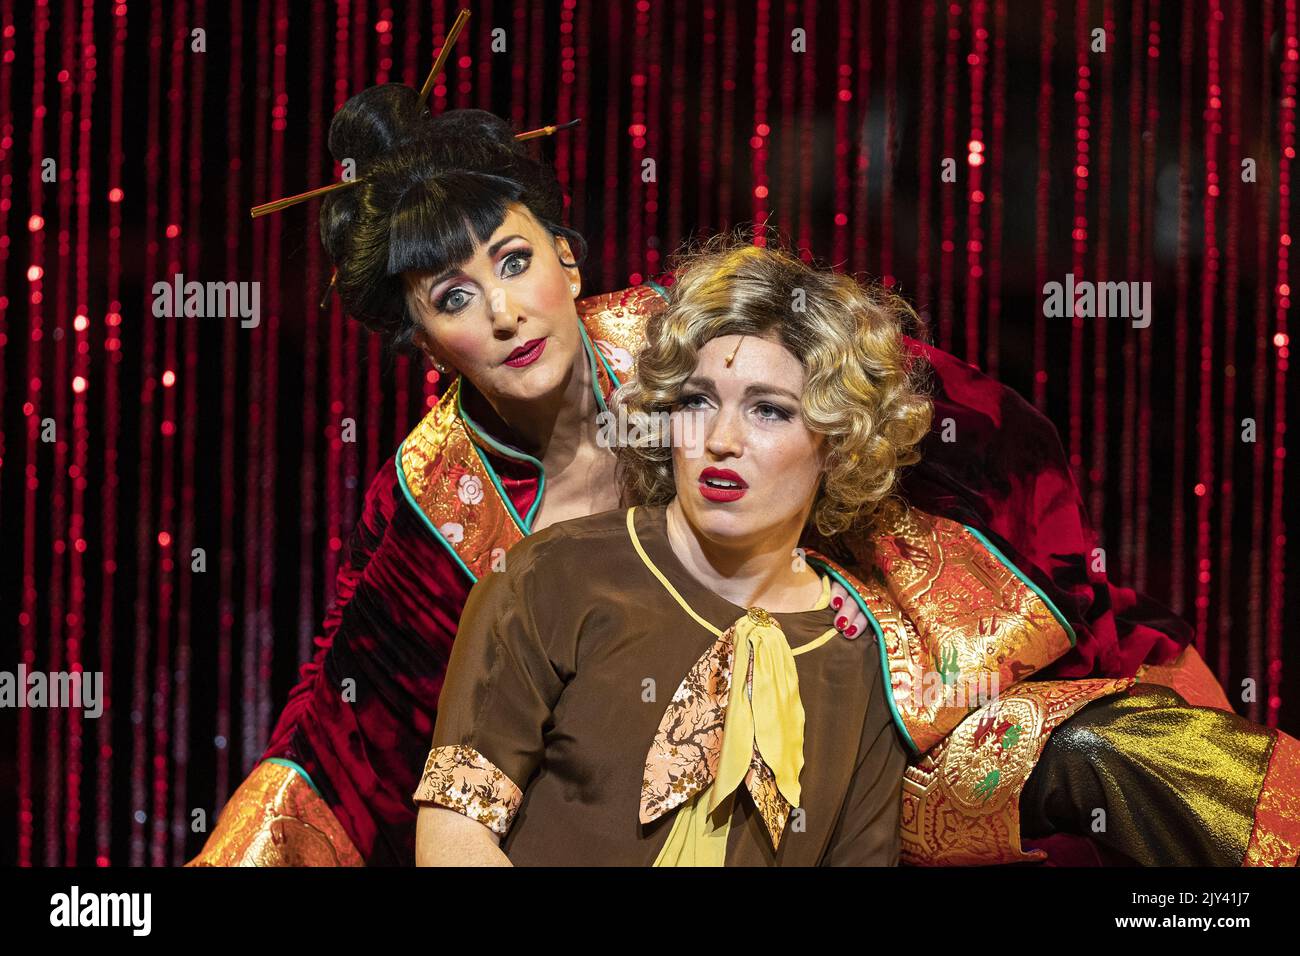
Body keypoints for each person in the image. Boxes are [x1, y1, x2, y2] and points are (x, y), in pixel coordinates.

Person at [190, 76, 1281, 867]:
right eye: (454, 295)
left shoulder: (695, 338)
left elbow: (953, 421)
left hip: (865, 754)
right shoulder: (438, 511)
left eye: (514, 261)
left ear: (566, 256)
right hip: (637, 828)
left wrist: (1063, 640)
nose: (507, 309)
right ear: (422, 342)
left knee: (1121, 752)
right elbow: (342, 739)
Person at [416, 239, 1299, 866]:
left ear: (835, 443)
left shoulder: (863, 652)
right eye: (698, 401)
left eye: (769, 410)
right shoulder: (552, 574)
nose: (721, 438)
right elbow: (452, 830)